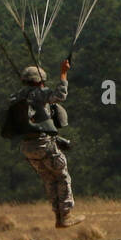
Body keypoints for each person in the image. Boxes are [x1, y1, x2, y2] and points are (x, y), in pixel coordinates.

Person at [13, 58, 83, 228]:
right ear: (40, 81)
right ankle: (65, 216)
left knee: (49, 180)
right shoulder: (39, 94)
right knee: (62, 176)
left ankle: (59, 217)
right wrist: (64, 73)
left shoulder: (16, 96)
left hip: (28, 148)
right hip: (44, 144)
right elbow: (60, 95)